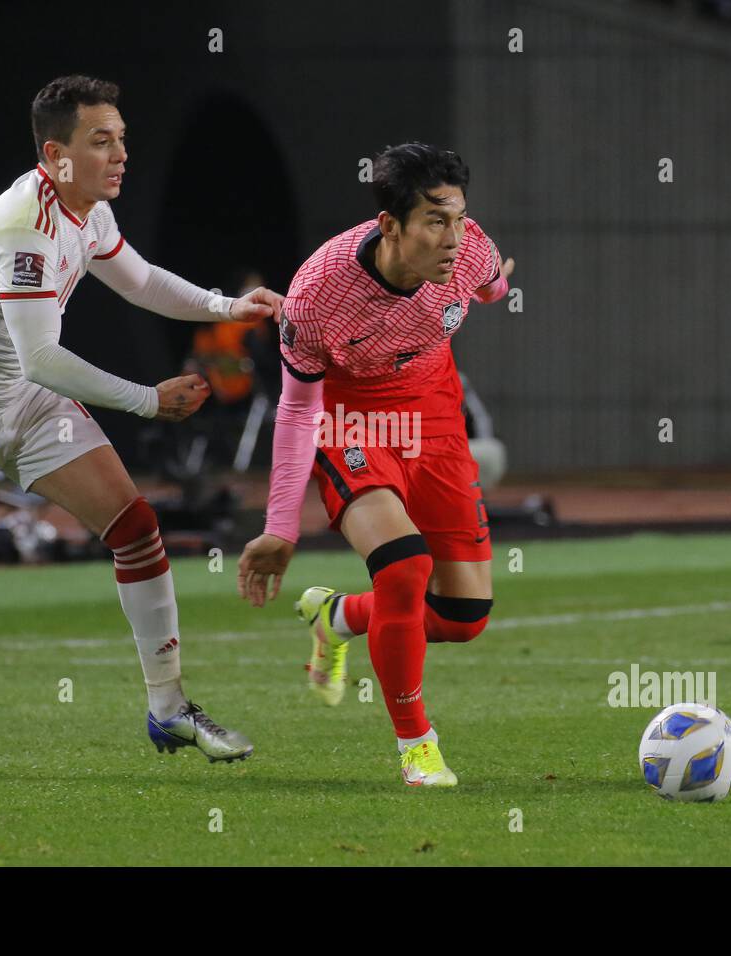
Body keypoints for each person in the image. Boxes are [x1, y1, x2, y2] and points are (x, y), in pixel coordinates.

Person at [0, 75, 283, 763]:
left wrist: (229, 308)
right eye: (100, 141)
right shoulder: (23, 225)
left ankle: (168, 706)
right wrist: (148, 399)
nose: (120, 154)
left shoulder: (90, 210)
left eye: (121, 139)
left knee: (137, 528)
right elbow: (41, 359)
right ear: (57, 155)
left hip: (24, 410)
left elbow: (141, 281)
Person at [235, 143, 513, 787]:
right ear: (390, 226)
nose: (454, 237)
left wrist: (498, 282)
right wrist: (281, 527)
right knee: (405, 566)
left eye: (461, 218)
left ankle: (338, 616)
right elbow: (298, 411)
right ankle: (418, 748)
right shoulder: (318, 293)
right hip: (351, 419)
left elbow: (491, 279)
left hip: (436, 416)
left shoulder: (467, 250)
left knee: (463, 620)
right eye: (436, 222)